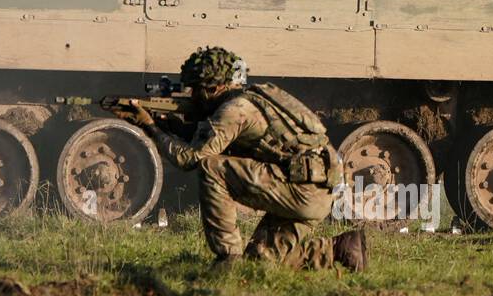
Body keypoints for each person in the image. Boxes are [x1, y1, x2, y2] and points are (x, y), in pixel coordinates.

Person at [110, 45, 367, 270]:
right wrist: (172, 127)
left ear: (214, 87)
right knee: (259, 261)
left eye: (196, 90)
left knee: (211, 168)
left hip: (302, 189)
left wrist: (151, 129)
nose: (191, 96)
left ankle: (227, 258)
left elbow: (190, 159)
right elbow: (222, 141)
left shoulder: (234, 111)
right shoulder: (255, 98)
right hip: (317, 189)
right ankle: (341, 249)